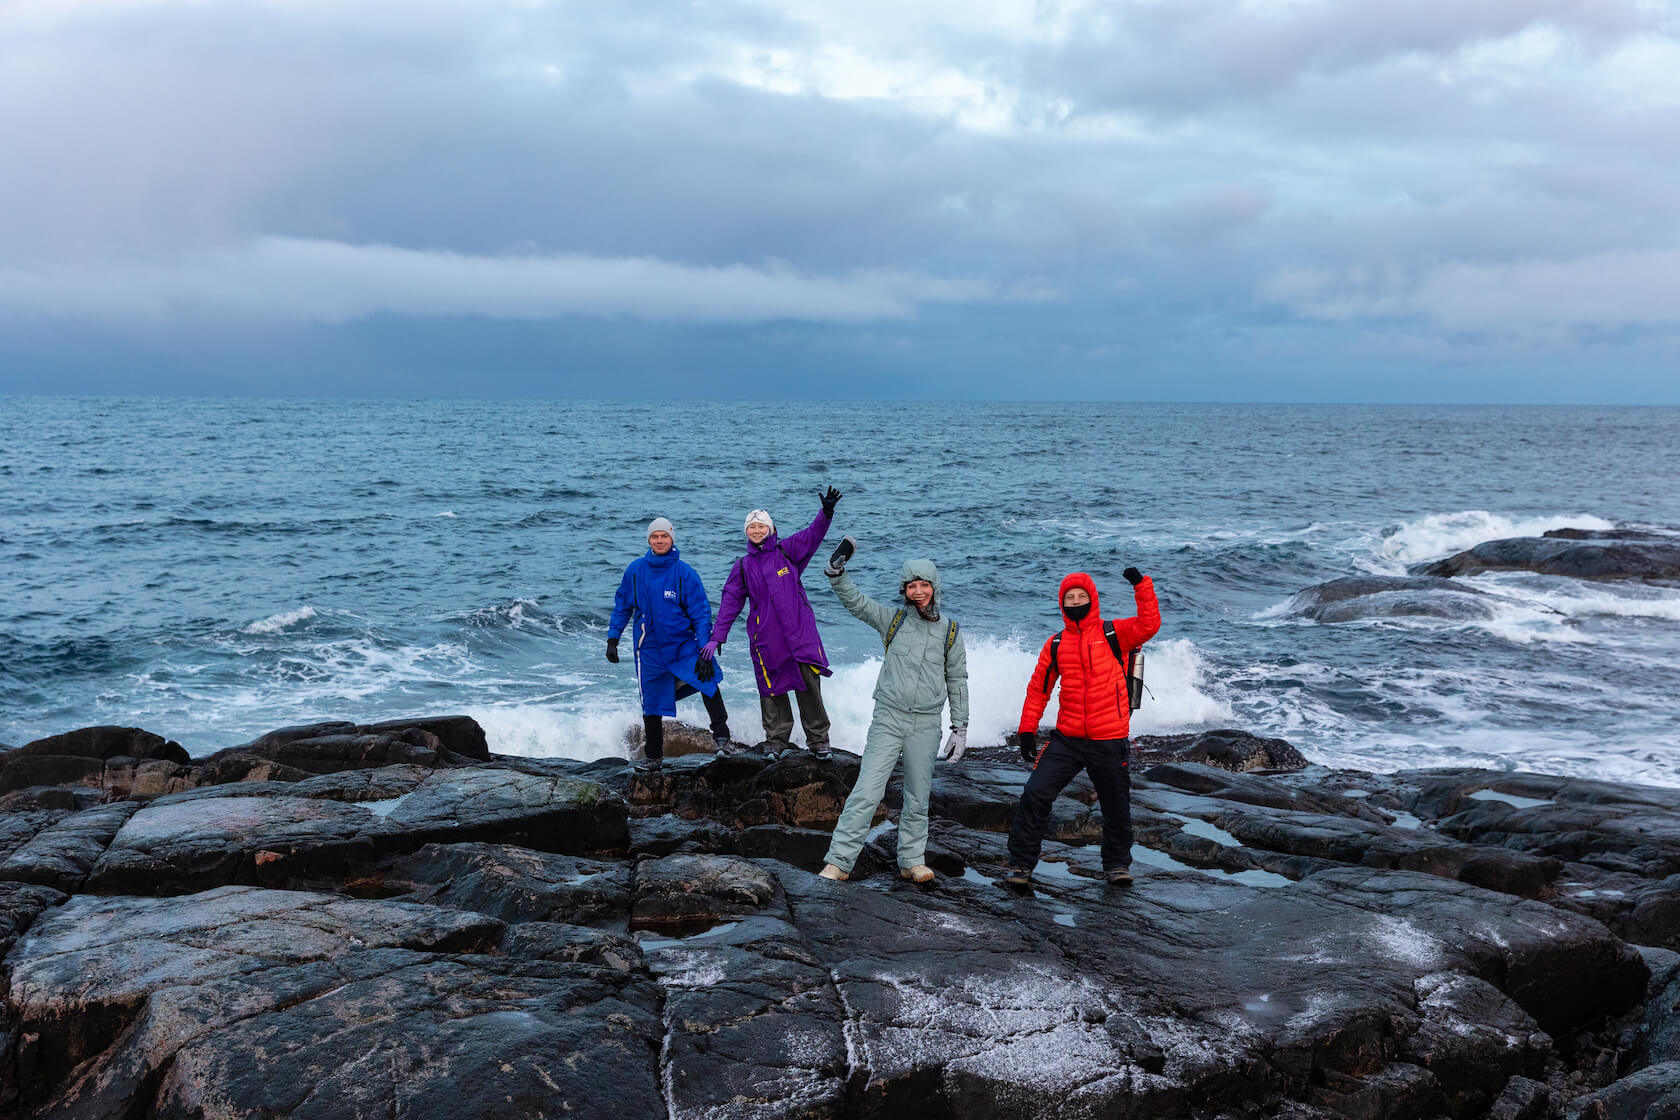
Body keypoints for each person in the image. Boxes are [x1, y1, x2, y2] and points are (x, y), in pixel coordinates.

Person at [817, 536, 968, 884]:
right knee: (867, 791)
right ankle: (839, 862)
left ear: (934, 587)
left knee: (918, 795)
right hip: (889, 717)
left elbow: (958, 679)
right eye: (911, 586)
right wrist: (837, 575)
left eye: (924, 585)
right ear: (904, 589)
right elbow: (857, 603)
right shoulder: (893, 620)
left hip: (927, 723)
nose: (918, 591)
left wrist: (959, 726)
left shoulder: (950, 631)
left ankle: (912, 861)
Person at [1004, 566, 1160, 888]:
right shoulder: (1057, 644)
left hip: (1110, 738)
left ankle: (1117, 865)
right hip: (1068, 739)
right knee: (1035, 793)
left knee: (1115, 805)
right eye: (1070, 597)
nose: (1076, 601)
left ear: (1092, 599)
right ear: (1062, 603)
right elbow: (1039, 689)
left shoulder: (1114, 633)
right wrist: (1027, 730)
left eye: (1081, 596)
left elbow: (1149, 624)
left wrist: (1141, 585)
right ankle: (1021, 865)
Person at [703, 488, 841, 759]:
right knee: (771, 689)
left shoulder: (787, 552)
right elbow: (730, 602)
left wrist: (826, 513)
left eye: (761, 526)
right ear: (746, 532)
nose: (756, 530)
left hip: (800, 634)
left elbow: (813, 535)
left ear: (771, 528)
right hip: (766, 638)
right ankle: (776, 741)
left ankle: (819, 741)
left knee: (809, 686)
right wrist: (717, 636)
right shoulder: (742, 566)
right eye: (752, 527)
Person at [606, 517, 733, 772]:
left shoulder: (684, 572)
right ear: (649, 540)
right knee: (650, 700)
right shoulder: (635, 570)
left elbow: (699, 612)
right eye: (655, 536)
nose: (660, 540)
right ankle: (654, 757)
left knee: (707, 679)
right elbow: (622, 606)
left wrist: (704, 647)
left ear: (672, 538)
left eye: (664, 536)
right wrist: (613, 639)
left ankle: (722, 738)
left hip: (681, 643)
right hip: (649, 648)